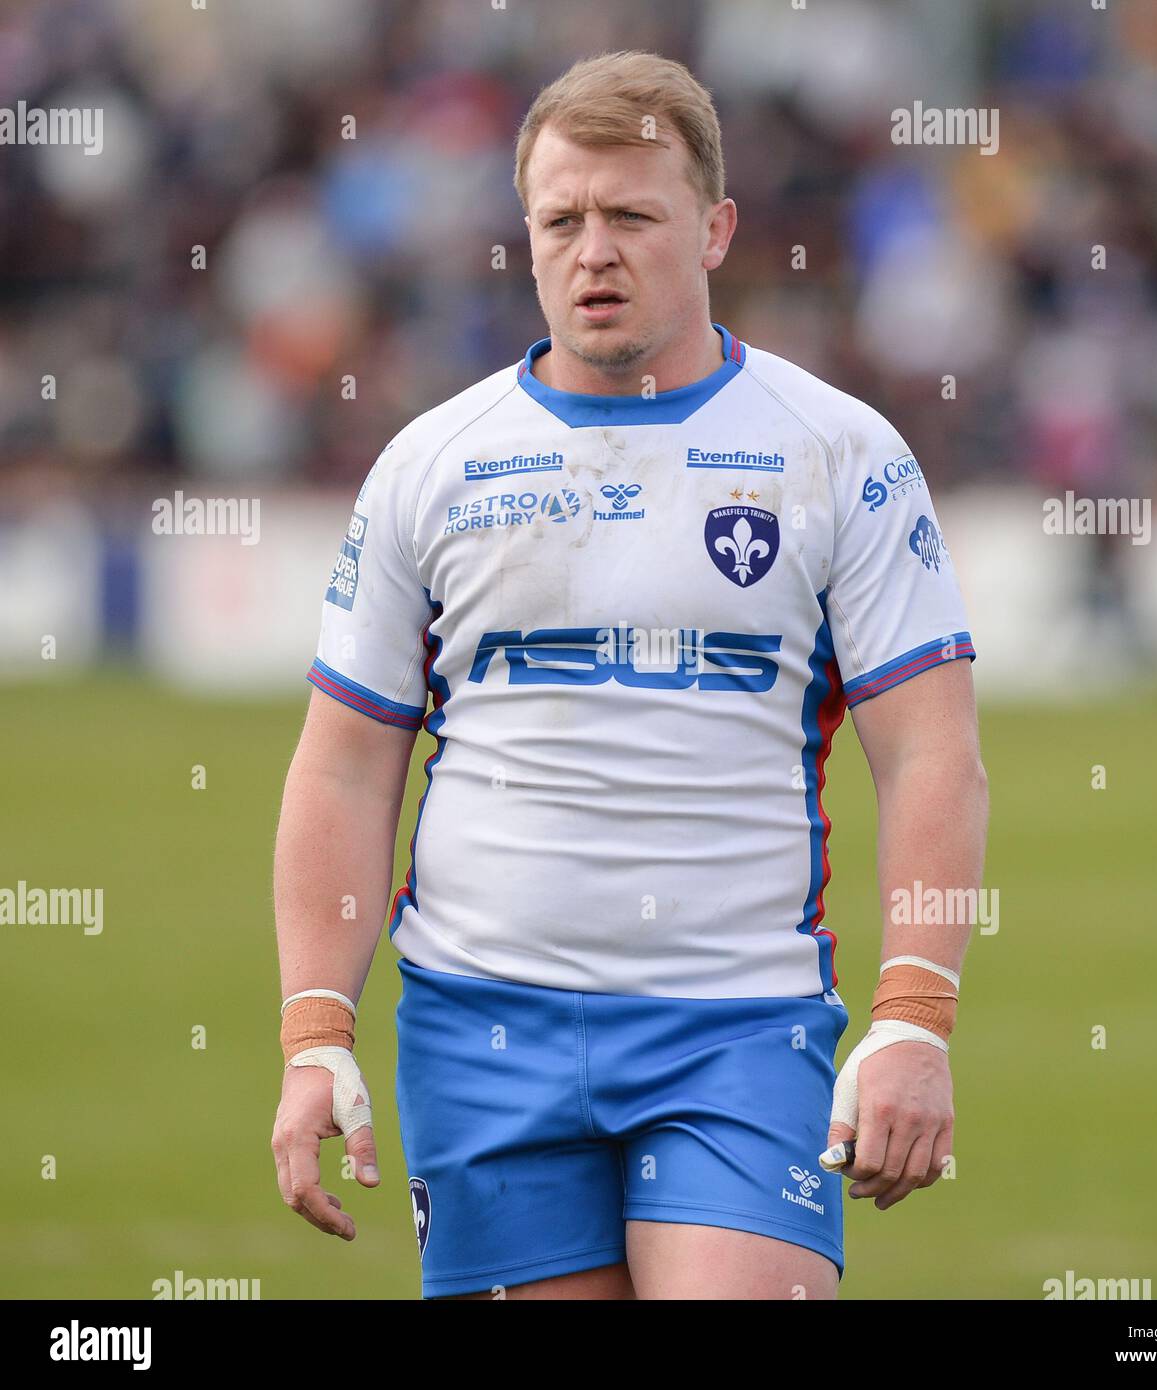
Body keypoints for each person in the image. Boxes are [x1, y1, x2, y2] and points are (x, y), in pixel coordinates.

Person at [272, 49, 987, 1301]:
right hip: (478, 1026)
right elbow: (341, 766)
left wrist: (917, 1015)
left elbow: (932, 752)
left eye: (630, 216)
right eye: (561, 219)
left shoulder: (837, 453)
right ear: (527, 234)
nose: (591, 250)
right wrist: (313, 1029)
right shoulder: (430, 464)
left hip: (737, 1024)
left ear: (712, 229)